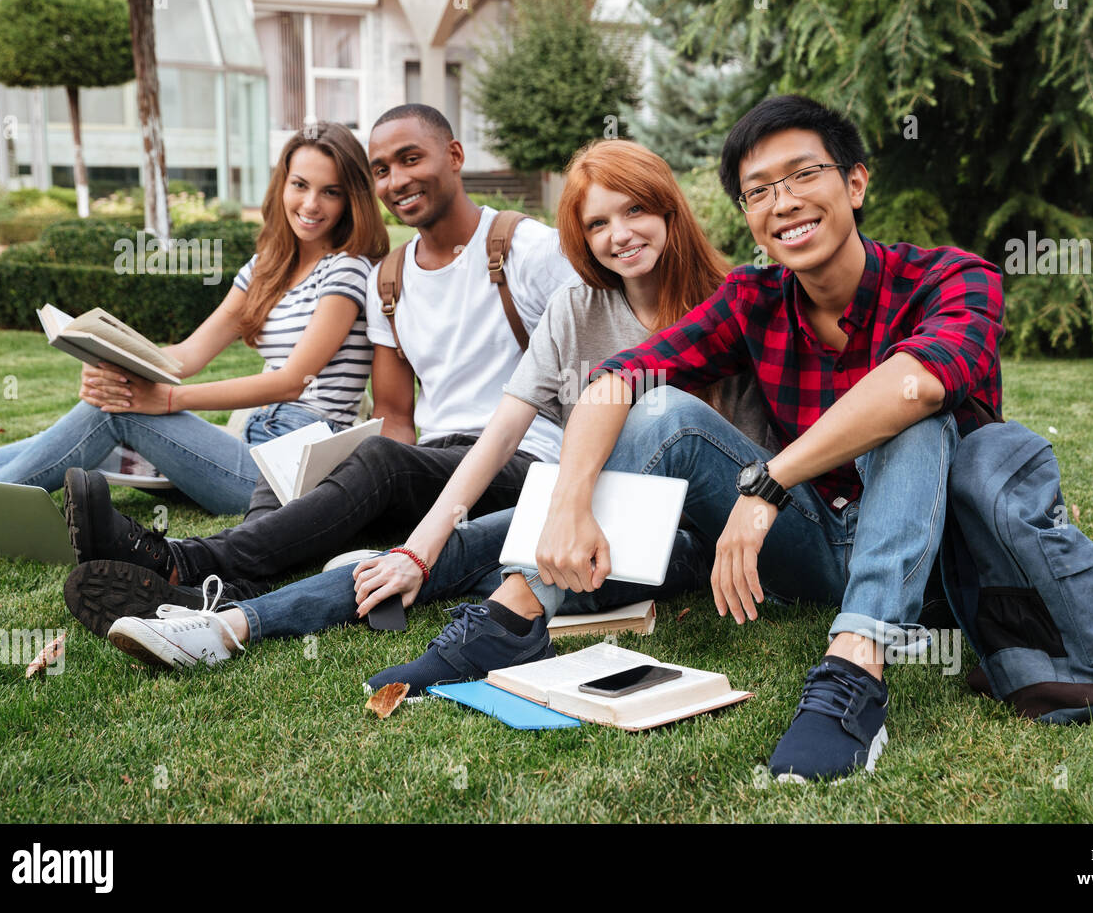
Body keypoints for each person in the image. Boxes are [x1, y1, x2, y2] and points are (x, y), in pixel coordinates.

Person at [404, 95, 1003, 784]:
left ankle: (854, 671)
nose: (784, 202)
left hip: (920, 552)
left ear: (855, 183)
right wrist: (568, 504)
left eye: (804, 176)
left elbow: (918, 385)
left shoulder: (954, 277)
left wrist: (768, 482)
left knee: (910, 413)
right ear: (747, 212)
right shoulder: (753, 297)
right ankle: (512, 618)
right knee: (660, 407)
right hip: (811, 544)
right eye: (760, 191)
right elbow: (615, 378)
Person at [81, 139, 776, 669]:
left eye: (635, 211)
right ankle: (224, 626)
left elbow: (747, 457)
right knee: (436, 555)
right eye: (597, 225)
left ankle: (247, 594)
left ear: (667, 208)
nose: (619, 235)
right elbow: (503, 431)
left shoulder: (731, 303)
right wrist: (418, 547)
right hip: (575, 510)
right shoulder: (576, 308)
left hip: (684, 533)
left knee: (479, 556)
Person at [58, 104, 575, 634]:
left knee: (381, 463)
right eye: (381, 170)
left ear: (455, 156)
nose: (397, 180)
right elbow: (396, 415)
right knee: (299, 467)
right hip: (439, 471)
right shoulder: (390, 280)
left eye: (411, 159)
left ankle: (182, 560)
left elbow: (597, 378)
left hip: (526, 467)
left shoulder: (528, 248)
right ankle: (215, 593)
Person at [0, 121, 387, 516]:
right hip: (251, 445)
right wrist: (115, 367)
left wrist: (169, 399)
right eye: (300, 185)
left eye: (330, 191)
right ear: (282, 186)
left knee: (120, 411)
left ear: (352, 199)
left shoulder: (347, 269)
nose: (311, 204)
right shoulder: (265, 266)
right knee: (108, 405)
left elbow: (293, 380)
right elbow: (187, 355)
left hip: (290, 470)